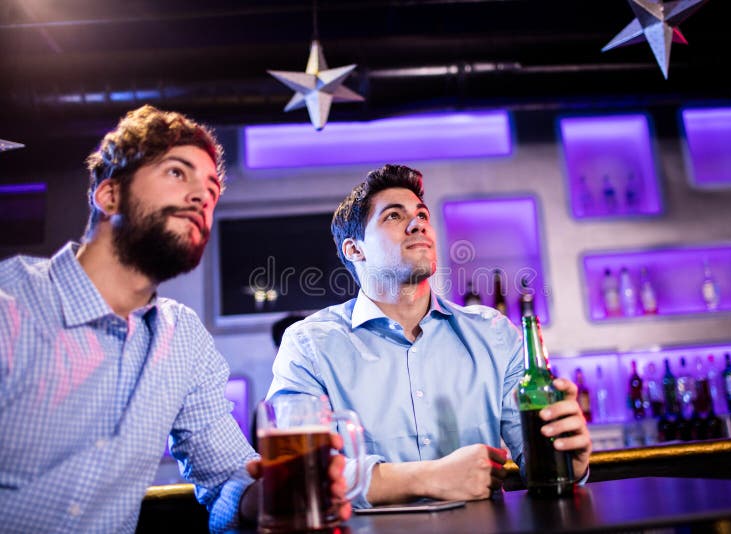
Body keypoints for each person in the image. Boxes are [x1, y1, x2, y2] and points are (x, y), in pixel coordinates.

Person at [0, 105, 349, 533]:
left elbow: (227, 482)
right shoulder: (10, 306)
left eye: (212, 189)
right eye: (177, 173)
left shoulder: (183, 338)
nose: (203, 197)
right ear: (109, 195)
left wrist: (275, 492)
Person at [267, 164, 592, 508]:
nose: (417, 223)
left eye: (422, 214)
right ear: (354, 250)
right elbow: (295, 475)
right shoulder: (309, 344)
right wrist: (431, 477)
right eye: (393, 216)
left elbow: (538, 465)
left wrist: (569, 453)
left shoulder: (494, 334)